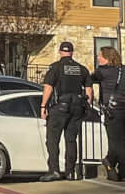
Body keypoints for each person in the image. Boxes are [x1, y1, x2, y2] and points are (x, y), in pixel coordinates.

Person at [38, 41, 93, 182]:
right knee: (71, 140)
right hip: (77, 107)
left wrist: (43, 106)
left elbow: (48, 87)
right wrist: (87, 106)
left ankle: (54, 171)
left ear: (60, 52)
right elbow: (89, 90)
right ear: (72, 52)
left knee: (52, 140)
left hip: (60, 107)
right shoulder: (82, 69)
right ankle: (70, 172)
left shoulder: (55, 68)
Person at [92, 46, 125, 181]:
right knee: (118, 140)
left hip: (112, 110)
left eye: (100, 56)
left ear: (107, 57)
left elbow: (89, 79)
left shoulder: (101, 72)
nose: (98, 58)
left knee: (117, 142)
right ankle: (110, 162)